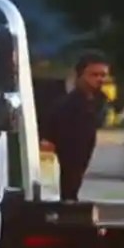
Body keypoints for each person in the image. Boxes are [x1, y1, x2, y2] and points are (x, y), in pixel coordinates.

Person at [39, 51, 111, 201]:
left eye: (103, 75)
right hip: (60, 165)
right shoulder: (64, 105)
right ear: (80, 75)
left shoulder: (99, 102)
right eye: (94, 74)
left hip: (81, 164)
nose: (99, 79)